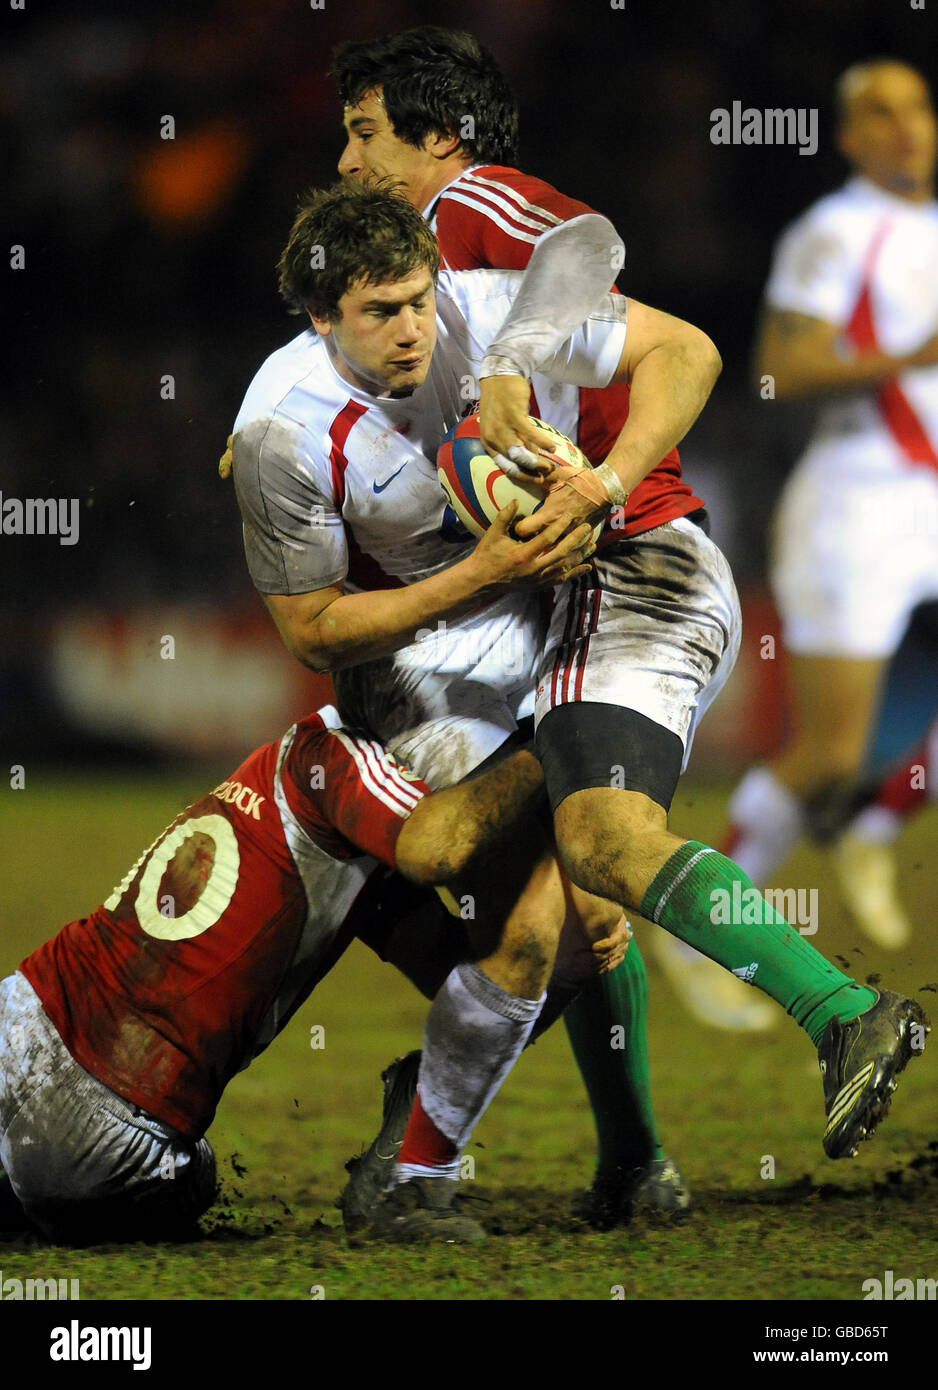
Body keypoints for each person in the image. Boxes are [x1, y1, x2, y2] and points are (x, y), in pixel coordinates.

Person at [234, 181, 928, 1243]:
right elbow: (311, 632)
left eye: (418, 298)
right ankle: (626, 1158)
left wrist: (597, 479)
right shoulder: (280, 433)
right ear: (320, 317)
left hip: (599, 596)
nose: (415, 327)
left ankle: (422, 1158)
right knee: (564, 897)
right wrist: (483, 570)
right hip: (426, 669)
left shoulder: (491, 310)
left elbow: (685, 348)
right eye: (380, 312)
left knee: (576, 871)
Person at [330, 25, 756, 1231]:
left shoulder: (469, 202)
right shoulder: (420, 278)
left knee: (538, 877)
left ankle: (437, 1134)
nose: (350, 161)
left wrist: (516, 369)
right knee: (562, 888)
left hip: (604, 566)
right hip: (542, 587)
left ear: (440, 140)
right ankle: (624, 1162)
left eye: (366, 134)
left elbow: (580, 241)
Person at [0, 706, 623, 1243]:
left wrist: (550, 964)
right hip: (98, 1131)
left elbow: (453, 980)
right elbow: (441, 849)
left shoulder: (296, 771)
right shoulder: (345, 763)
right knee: (195, 1181)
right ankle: (409, 1147)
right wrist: (549, 749)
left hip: (16, 1019)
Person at [721, 59, 938, 953]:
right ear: (848, 138)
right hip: (857, 500)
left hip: (929, 494)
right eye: (878, 114)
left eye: (918, 107)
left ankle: (876, 828)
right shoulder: (836, 232)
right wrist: (908, 357)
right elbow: (777, 369)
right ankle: (708, 922)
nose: (905, 127)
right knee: (829, 754)